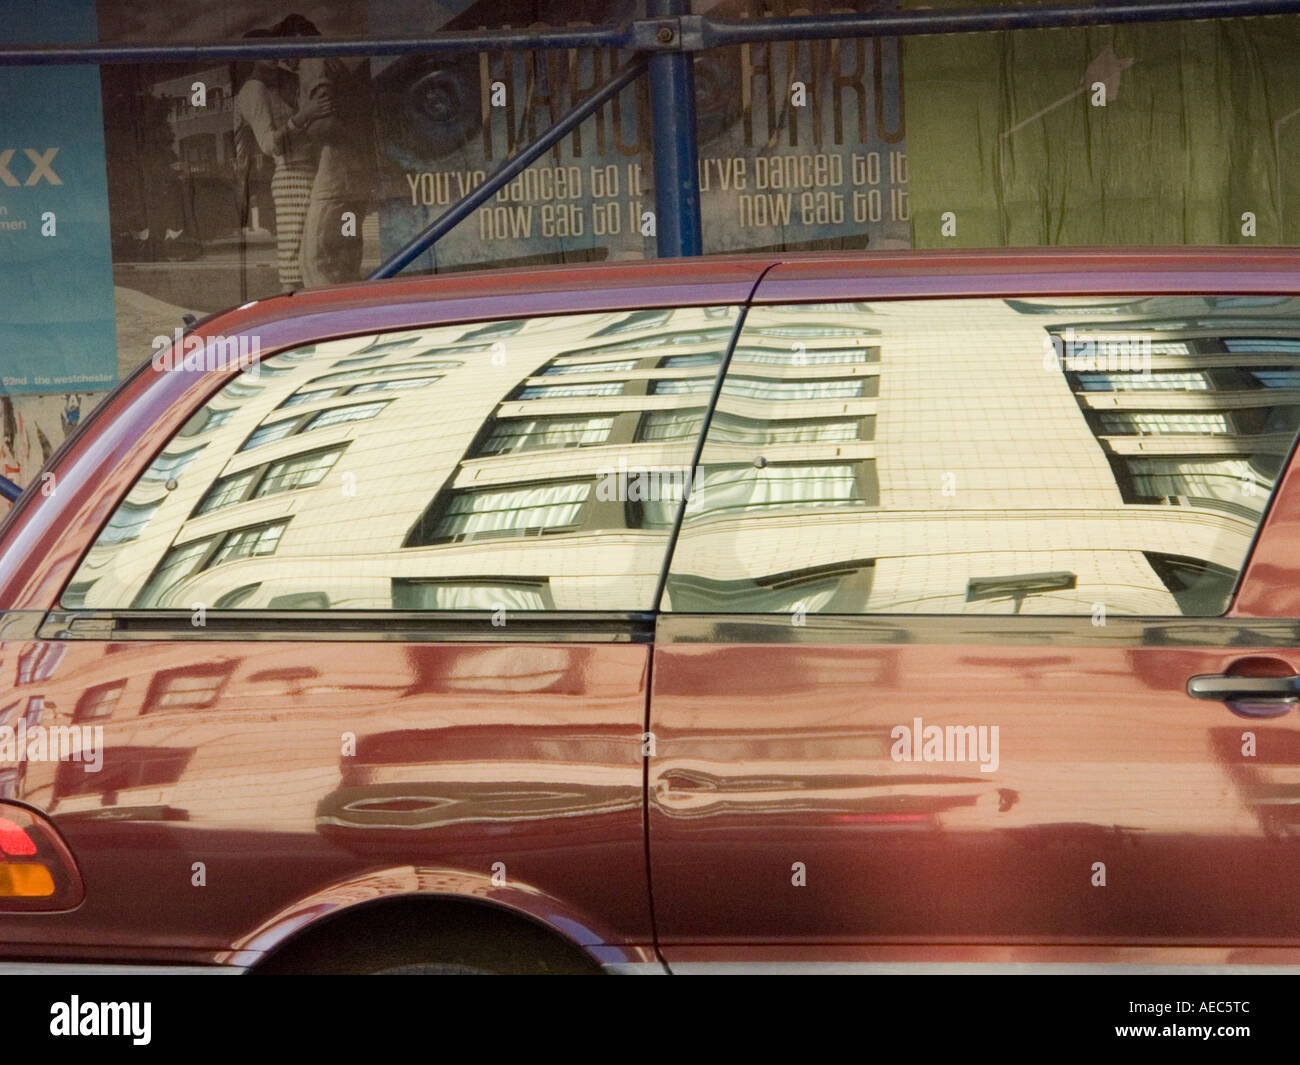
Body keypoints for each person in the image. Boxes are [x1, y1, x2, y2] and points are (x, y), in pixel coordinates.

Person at [233, 25, 330, 291]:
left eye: (275, 47)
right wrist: (304, 115)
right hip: (291, 178)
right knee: (293, 256)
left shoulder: (283, 82)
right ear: (250, 55)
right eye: (264, 50)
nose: (273, 54)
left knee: (313, 250)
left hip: (312, 170)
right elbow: (268, 144)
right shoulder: (253, 90)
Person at [296, 52, 377, 287]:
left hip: (336, 172)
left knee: (318, 262)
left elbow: (323, 125)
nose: (284, 62)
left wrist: (304, 123)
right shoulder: (334, 64)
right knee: (345, 262)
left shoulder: (312, 61)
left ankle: (331, 321)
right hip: (354, 173)